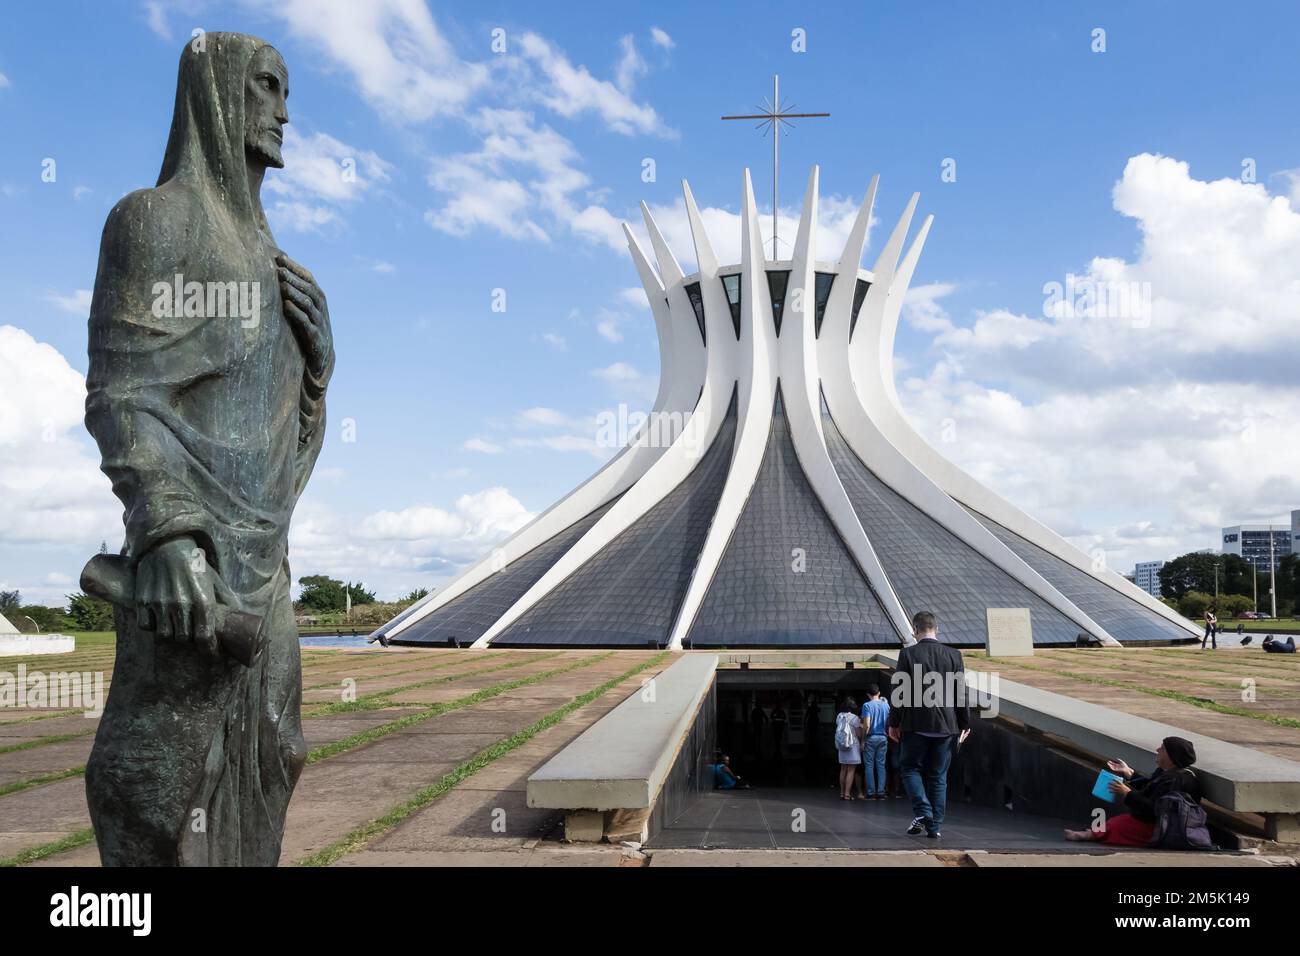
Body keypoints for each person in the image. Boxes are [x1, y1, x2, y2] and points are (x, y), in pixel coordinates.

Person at [83, 34, 332, 865]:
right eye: (265, 87)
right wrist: (167, 529)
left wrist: (319, 374)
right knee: (157, 786)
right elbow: (121, 393)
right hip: (188, 572)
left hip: (266, 572)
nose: (284, 112)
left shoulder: (278, 266)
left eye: (286, 91)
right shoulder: (154, 221)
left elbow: (285, 459)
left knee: (273, 754)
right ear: (218, 93)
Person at [888, 612, 971, 838]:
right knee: (938, 776)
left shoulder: (908, 654)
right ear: (937, 628)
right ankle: (934, 827)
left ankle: (924, 812)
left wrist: (893, 722)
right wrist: (964, 723)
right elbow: (960, 692)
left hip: (915, 724)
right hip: (947, 727)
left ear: (915, 629)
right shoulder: (954, 655)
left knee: (909, 768)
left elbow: (899, 692)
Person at [1065, 737, 1202, 845]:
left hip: (1162, 827)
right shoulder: (1166, 773)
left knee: (1118, 824)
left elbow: (1154, 809)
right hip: (1152, 821)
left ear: (1172, 756)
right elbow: (1150, 786)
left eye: (1162, 749)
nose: (1157, 750)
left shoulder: (1178, 780)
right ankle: (1095, 833)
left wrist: (1127, 793)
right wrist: (1129, 772)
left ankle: (1089, 835)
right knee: (1118, 821)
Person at [860, 685, 890, 799]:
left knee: (869, 765)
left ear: (868, 694)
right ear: (879, 693)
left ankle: (871, 791)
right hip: (883, 737)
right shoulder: (886, 705)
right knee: (881, 765)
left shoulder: (867, 705)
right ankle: (881, 791)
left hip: (871, 737)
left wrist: (863, 740)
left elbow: (866, 724)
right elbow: (888, 722)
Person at [834, 697, 863, 800]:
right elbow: (859, 734)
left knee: (843, 769)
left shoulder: (839, 716)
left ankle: (842, 793)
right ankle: (847, 794)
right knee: (851, 770)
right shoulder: (855, 718)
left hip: (842, 745)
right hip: (852, 745)